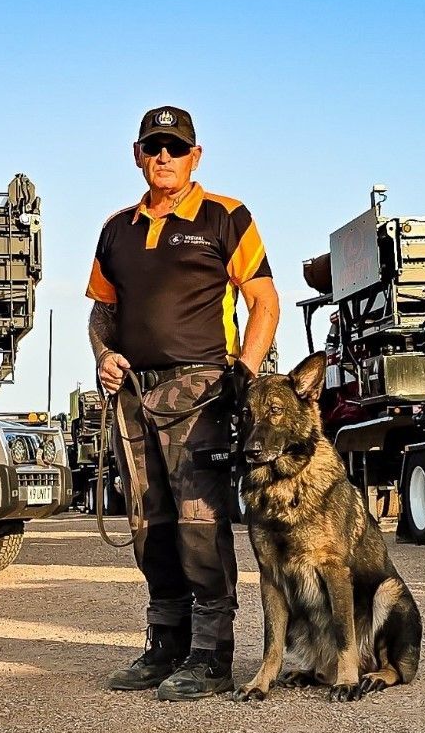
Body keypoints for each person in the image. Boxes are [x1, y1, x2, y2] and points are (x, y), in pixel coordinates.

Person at [85, 105, 281, 701]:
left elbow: (264, 301)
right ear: (138, 155)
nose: (164, 156)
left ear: (196, 156)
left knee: (200, 524)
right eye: (154, 146)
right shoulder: (116, 228)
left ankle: (210, 655)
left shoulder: (226, 216)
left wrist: (243, 375)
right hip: (134, 396)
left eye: (175, 146)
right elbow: (102, 311)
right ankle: (165, 643)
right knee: (150, 524)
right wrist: (103, 354)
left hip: (202, 391)